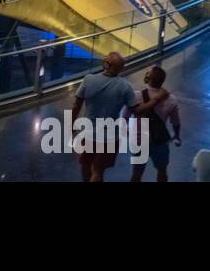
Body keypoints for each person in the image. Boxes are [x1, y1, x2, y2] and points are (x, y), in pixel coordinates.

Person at [71, 52, 168, 182]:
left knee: (86, 164)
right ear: (120, 69)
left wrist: (71, 125)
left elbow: (76, 104)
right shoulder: (125, 86)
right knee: (99, 171)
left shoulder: (88, 80)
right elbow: (138, 111)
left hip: (89, 133)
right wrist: (155, 99)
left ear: (106, 64)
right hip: (110, 137)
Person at [126, 66, 181, 182]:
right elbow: (176, 122)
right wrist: (176, 135)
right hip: (160, 141)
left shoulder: (136, 96)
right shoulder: (171, 100)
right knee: (162, 171)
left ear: (148, 78)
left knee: (136, 173)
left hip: (139, 141)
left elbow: (124, 117)